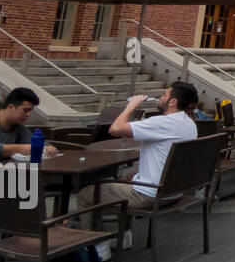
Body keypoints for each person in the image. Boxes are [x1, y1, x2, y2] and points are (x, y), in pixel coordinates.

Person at [75, 81, 199, 226]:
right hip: (174, 192)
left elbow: (115, 129)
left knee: (85, 194)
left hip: (150, 195)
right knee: (128, 178)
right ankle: (125, 236)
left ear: (172, 101)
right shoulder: (190, 124)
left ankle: (99, 247)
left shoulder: (160, 122)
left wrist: (131, 106)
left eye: (164, 95)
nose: (160, 97)